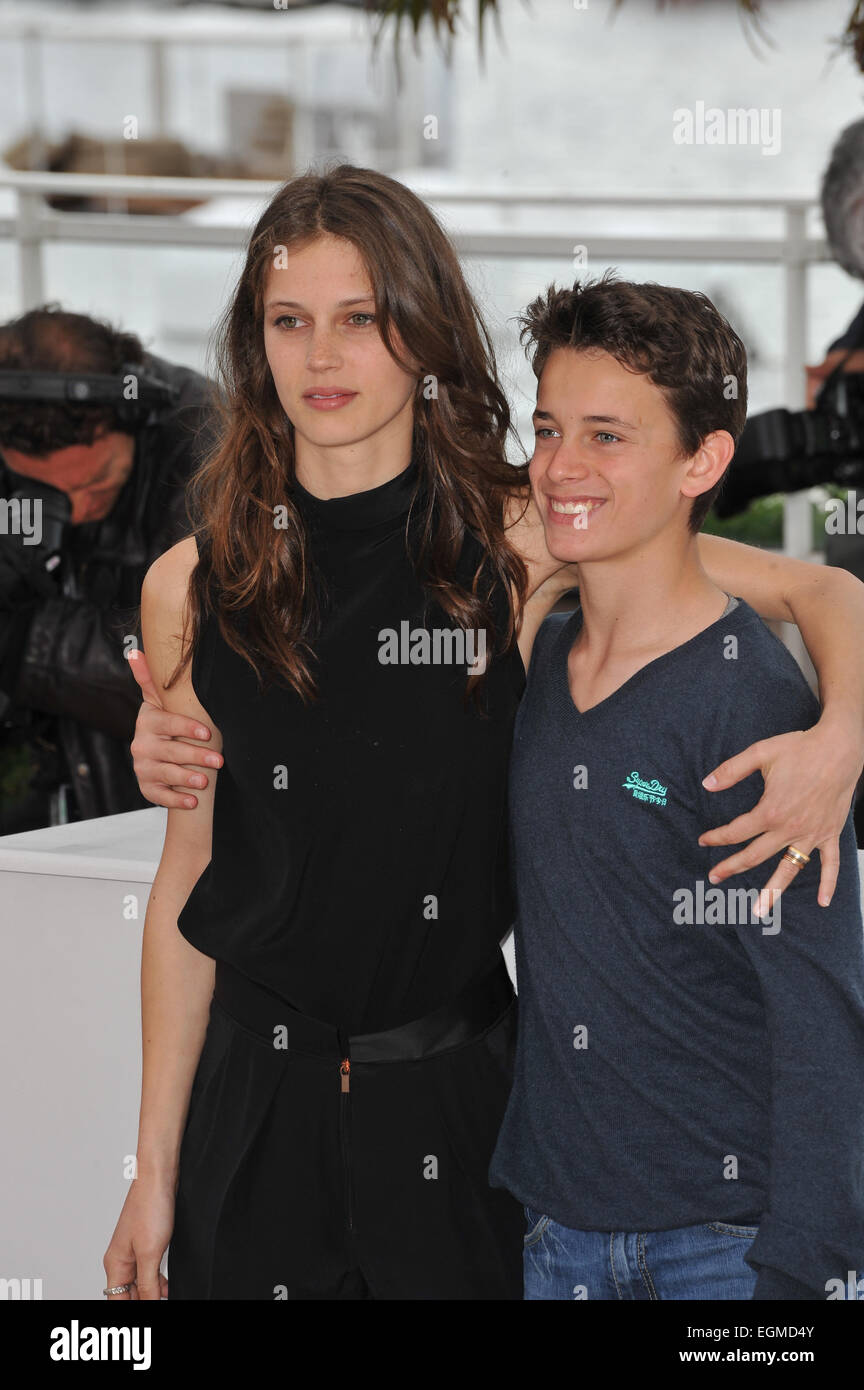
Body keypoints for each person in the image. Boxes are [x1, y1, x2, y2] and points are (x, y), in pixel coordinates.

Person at [106, 164, 864, 1303]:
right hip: (253, 1113)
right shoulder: (194, 582)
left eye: (361, 319)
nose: (322, 358)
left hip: (462, 1113)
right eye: (290, 321)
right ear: (252, 341)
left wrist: (842, 734)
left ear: (420, 332)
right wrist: (151, 1171)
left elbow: (824, 594)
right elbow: (186, 890)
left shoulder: (523, 536)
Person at [487, 273, 864, 1300]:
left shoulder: (750, 705)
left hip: (724, 1249)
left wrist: (800, 1272)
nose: (561, 466)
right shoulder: (534, 663)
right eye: (550, 427)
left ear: (703, 460)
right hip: (555, 1230)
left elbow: (821, 1014)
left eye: (608, 436)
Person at [0, 307, 218, 830]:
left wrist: (21, 639)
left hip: (155, 813)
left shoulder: (210, 448)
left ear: (134, 423)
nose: (75, 511)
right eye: (47, 492)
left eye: (96, 482)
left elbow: (189, 671)